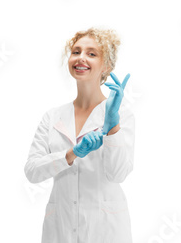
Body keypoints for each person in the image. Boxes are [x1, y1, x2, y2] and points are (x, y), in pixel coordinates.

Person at [24, 28, 133, 242]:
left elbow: (118, 174)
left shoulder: (122, 114)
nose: (81, 57)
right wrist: (70, 154)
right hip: (60, 229)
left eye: (92, 54)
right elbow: (32, 171)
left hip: (106, 231)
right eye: (76, 52)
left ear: (107, 66)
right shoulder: (53, 117)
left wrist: (112, 127)